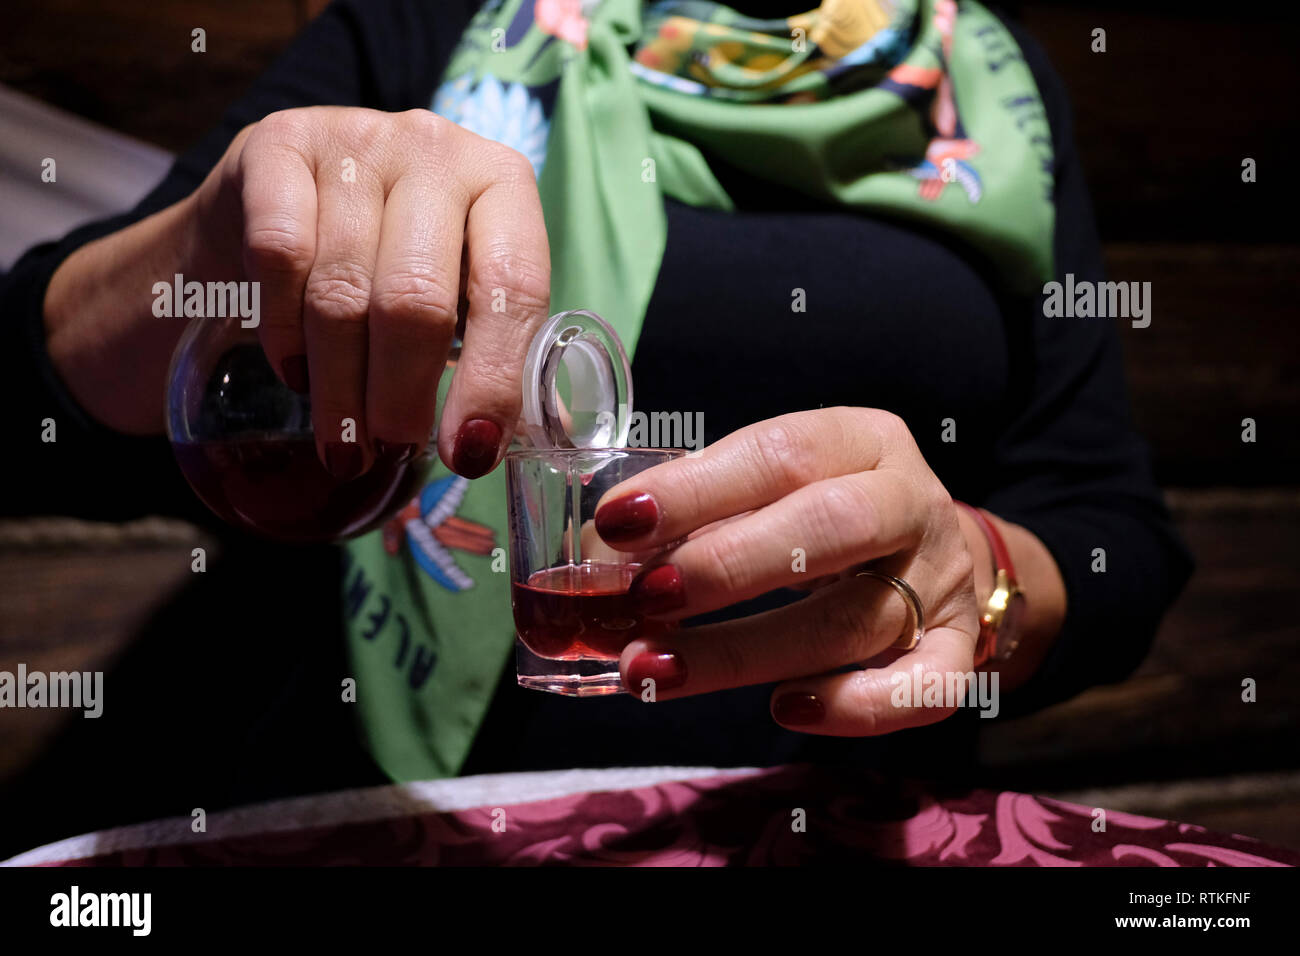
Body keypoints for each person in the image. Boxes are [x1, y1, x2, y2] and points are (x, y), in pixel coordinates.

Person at [0, 0, 1192, 853]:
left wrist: (974, 576)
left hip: (837, 825)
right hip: (406, 824)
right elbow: (30, 399)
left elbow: (1108, 536)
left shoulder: (988, 90)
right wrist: (205, 247)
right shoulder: (422, 27)